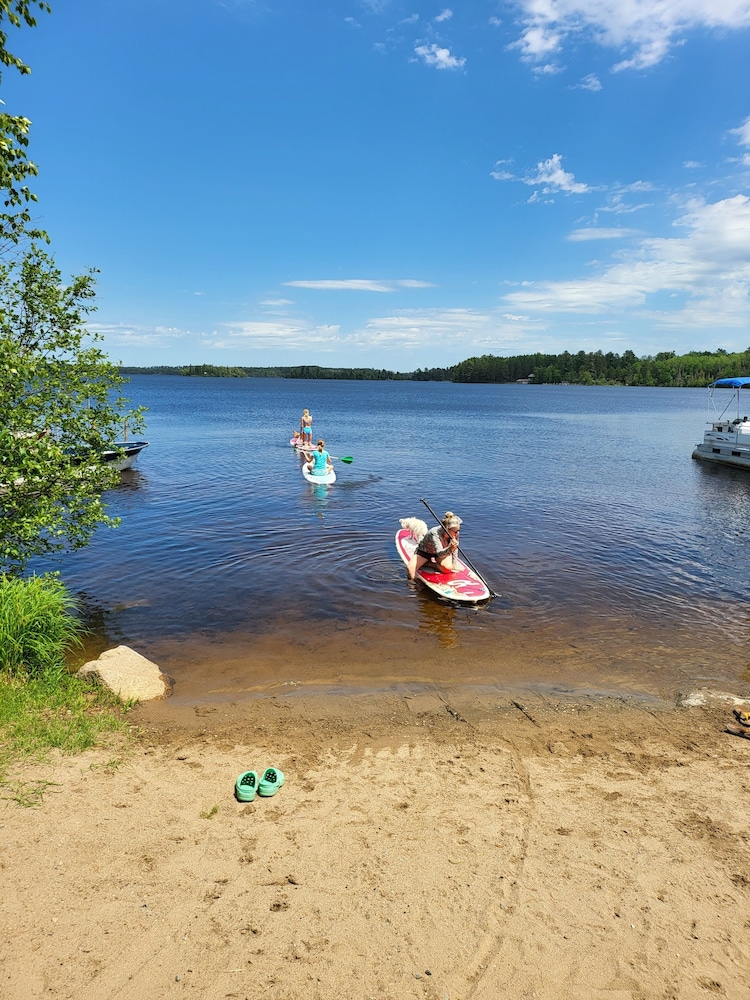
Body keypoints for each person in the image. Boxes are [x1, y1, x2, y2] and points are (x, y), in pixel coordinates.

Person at [407, 511, 462, 580]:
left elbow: (455, 548)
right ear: (447, 529)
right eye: (455, 531)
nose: (457, 533)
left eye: (458, 530)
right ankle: (413, 587)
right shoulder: (434, 533)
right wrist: (451, 548)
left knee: (447, 568)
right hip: (426, 551)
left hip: (443, 551)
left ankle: (431, 564)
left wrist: (454, 563)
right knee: (410, 569)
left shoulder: (455, 533)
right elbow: (439, 553)